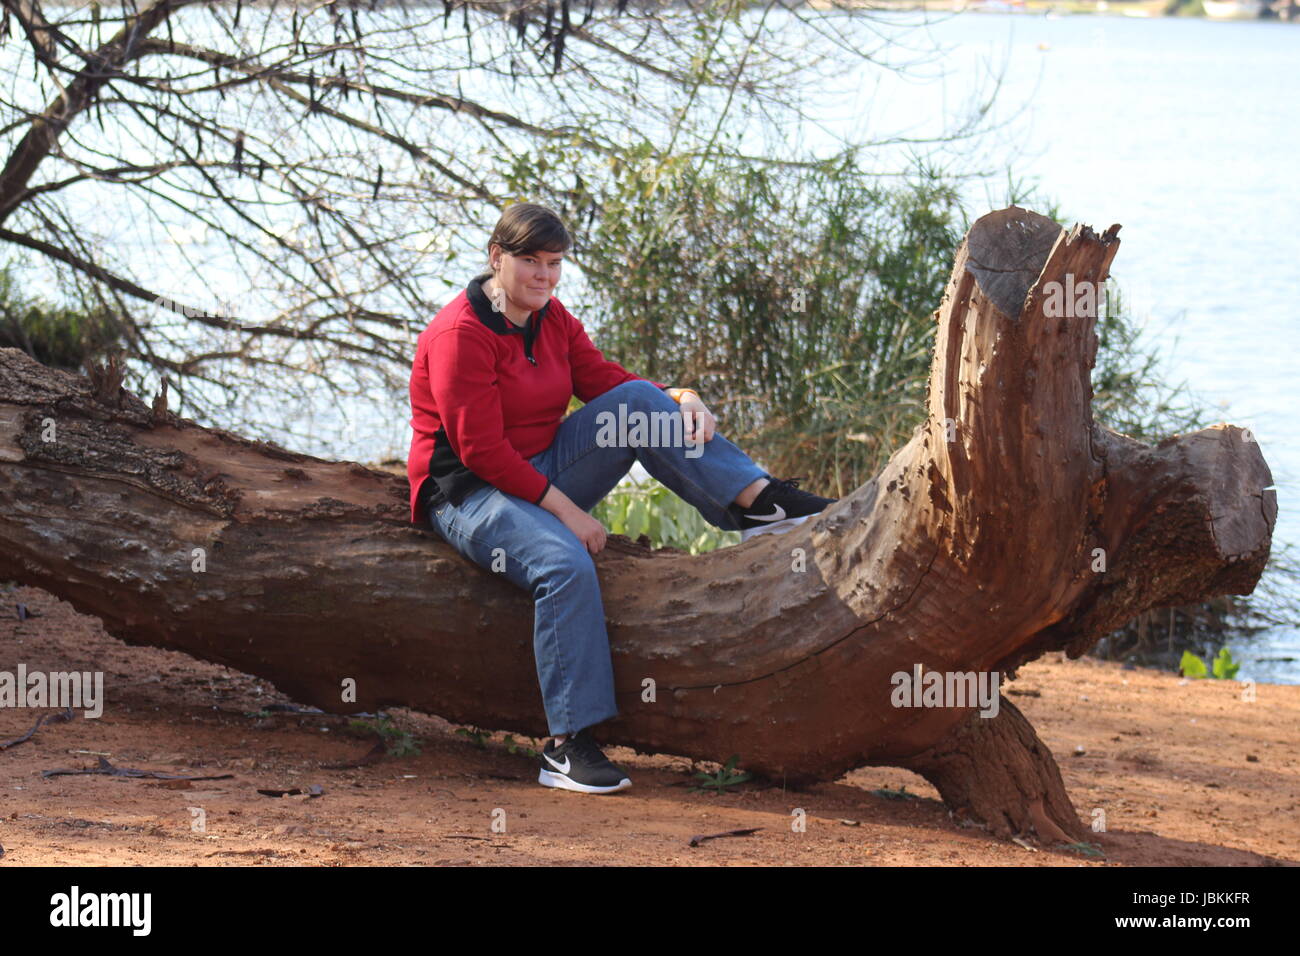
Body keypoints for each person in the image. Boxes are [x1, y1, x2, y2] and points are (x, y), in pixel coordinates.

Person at [407, 202, 836, 795]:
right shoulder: (461, 335)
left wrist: (681, 393)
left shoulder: (551, 317)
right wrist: (567, 511)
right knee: (564, 564)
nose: (543, 276)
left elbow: (607, 381)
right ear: (496, 258)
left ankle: (755, 504)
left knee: (637, 402)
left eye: (554, 264)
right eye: (530, 262)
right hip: (468, 492)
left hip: (542, 468)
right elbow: (481, 453)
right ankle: (565, 746)